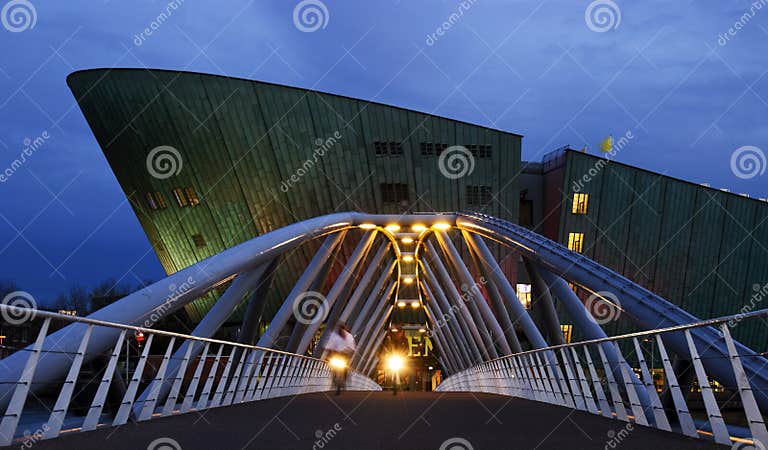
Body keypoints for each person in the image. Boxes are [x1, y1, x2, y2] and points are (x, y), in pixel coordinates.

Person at [325, 323, 356, 394]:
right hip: (336, 354)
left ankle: (344, 378)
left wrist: (347, 351)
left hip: (344, 355)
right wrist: (329, 353)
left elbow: (352, 348)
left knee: (345, 367)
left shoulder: (349, 337)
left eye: (342, 331)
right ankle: (334, 378)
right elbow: (328, 346)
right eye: (340, 331)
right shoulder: (334, 336)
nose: (341, 333)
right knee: (333, 366)